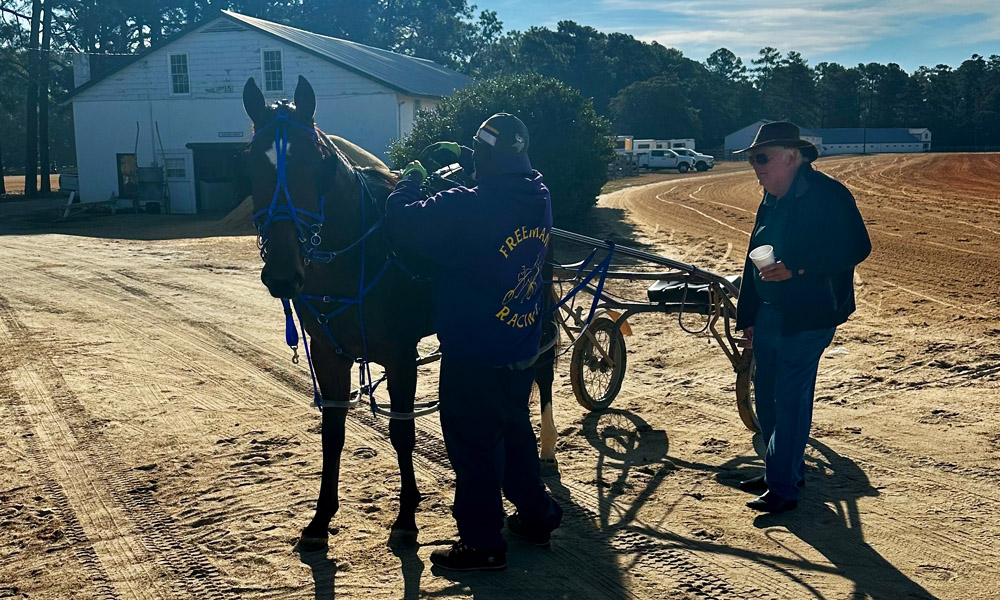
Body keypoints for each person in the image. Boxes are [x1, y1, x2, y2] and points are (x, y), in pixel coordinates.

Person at [384, 113, 563, 571]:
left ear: (483, 158)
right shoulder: (538, 193)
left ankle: (482, 544)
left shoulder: (465, 205)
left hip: (475, 352)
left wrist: (411, 179)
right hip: (520, 344)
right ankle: (537, 517)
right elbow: (496, 186)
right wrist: (473, 161)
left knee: (474, 447)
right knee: (515, 432)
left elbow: (402, 220)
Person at [734, 121, 871, 513]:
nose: (756, 167)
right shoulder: (770, 198)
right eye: (752, 160)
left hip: (811, 313)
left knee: (790, 397)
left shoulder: (829, 194)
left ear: (792, 157)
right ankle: (781, 471)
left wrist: (797, 268)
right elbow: (753, 252)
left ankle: (783, 489)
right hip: (769, 312)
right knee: (767, 395)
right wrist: (748, 313)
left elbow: (857, 247)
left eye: (762, 158)